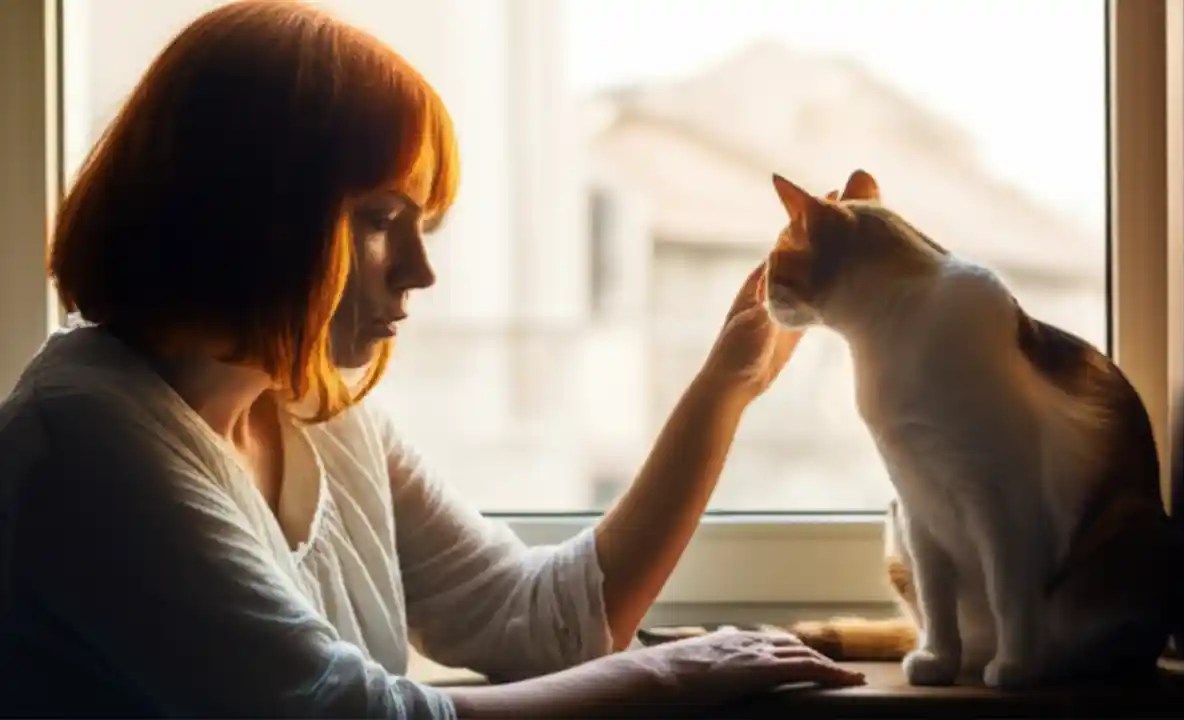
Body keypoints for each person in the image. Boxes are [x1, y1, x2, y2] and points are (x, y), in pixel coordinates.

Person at [0, 1, 864, 717]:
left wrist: (727, 384)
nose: (421, 270)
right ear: (250, 209)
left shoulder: (313, 409)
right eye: (381, 221)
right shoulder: (85, 442)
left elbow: (540, 623)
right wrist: (671, 671)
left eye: (421, 223)